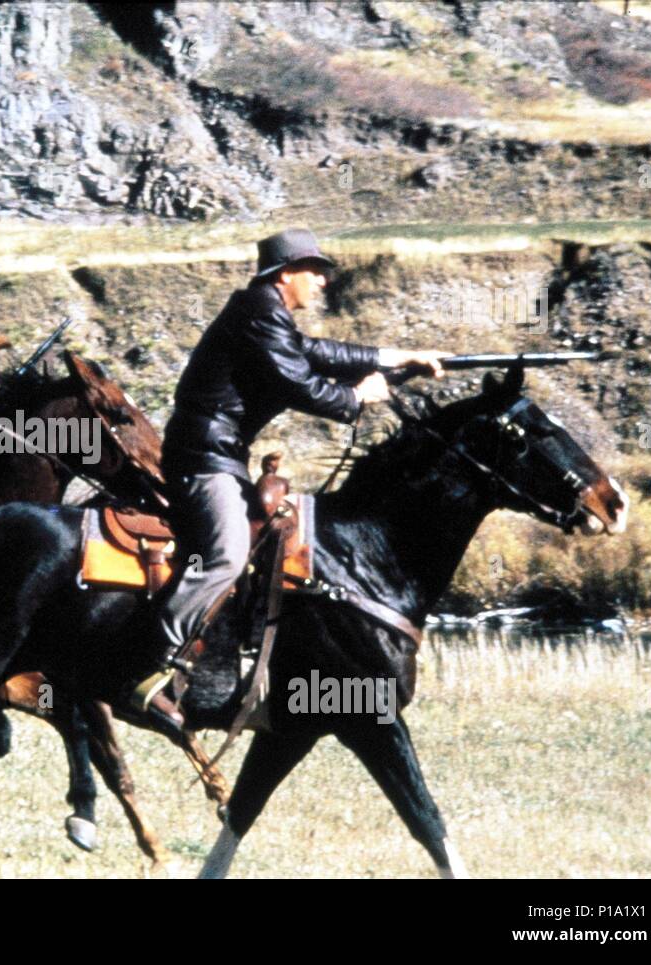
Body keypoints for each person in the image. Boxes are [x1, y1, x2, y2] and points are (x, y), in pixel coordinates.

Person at [139, 228, 448, 724]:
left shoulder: (264, 311)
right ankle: (152, 656)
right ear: (286, 275)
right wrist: (356, 398)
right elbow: (297, 381)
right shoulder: (258, 312)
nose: (323, 282)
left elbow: (313, 352)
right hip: (203, 458)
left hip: (218, 454)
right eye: (315, 272)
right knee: (226, 555)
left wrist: (391, 357)